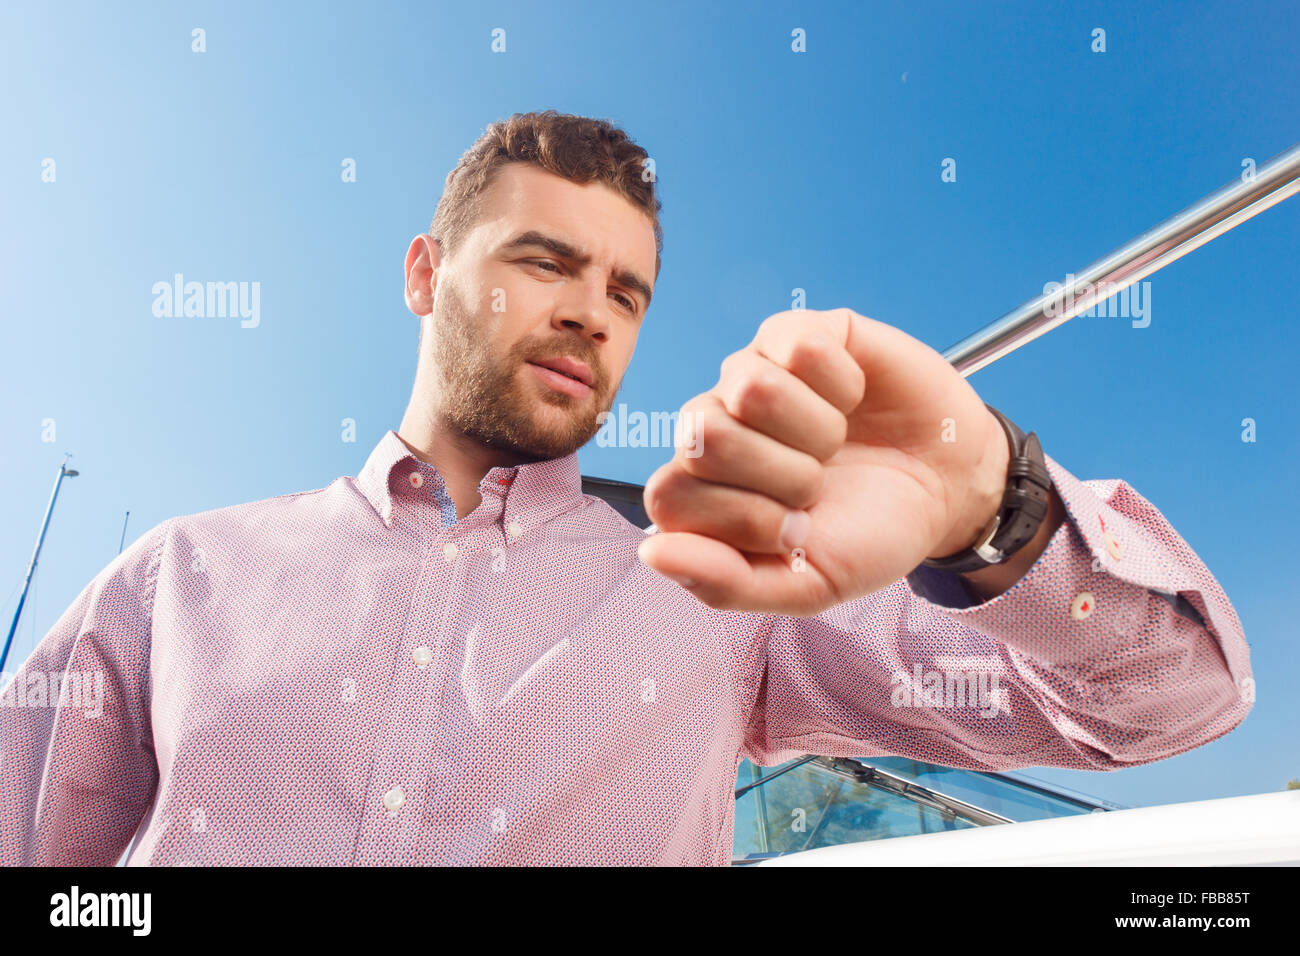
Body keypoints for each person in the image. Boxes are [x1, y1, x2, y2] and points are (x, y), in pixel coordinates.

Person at [0, 110, 1253, 866]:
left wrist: (996, 505)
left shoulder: (724, 587)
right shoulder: (181, 576)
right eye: (547, 262)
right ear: (426, 273)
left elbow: (1170, 707)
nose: (590, 316)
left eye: (626, 292)